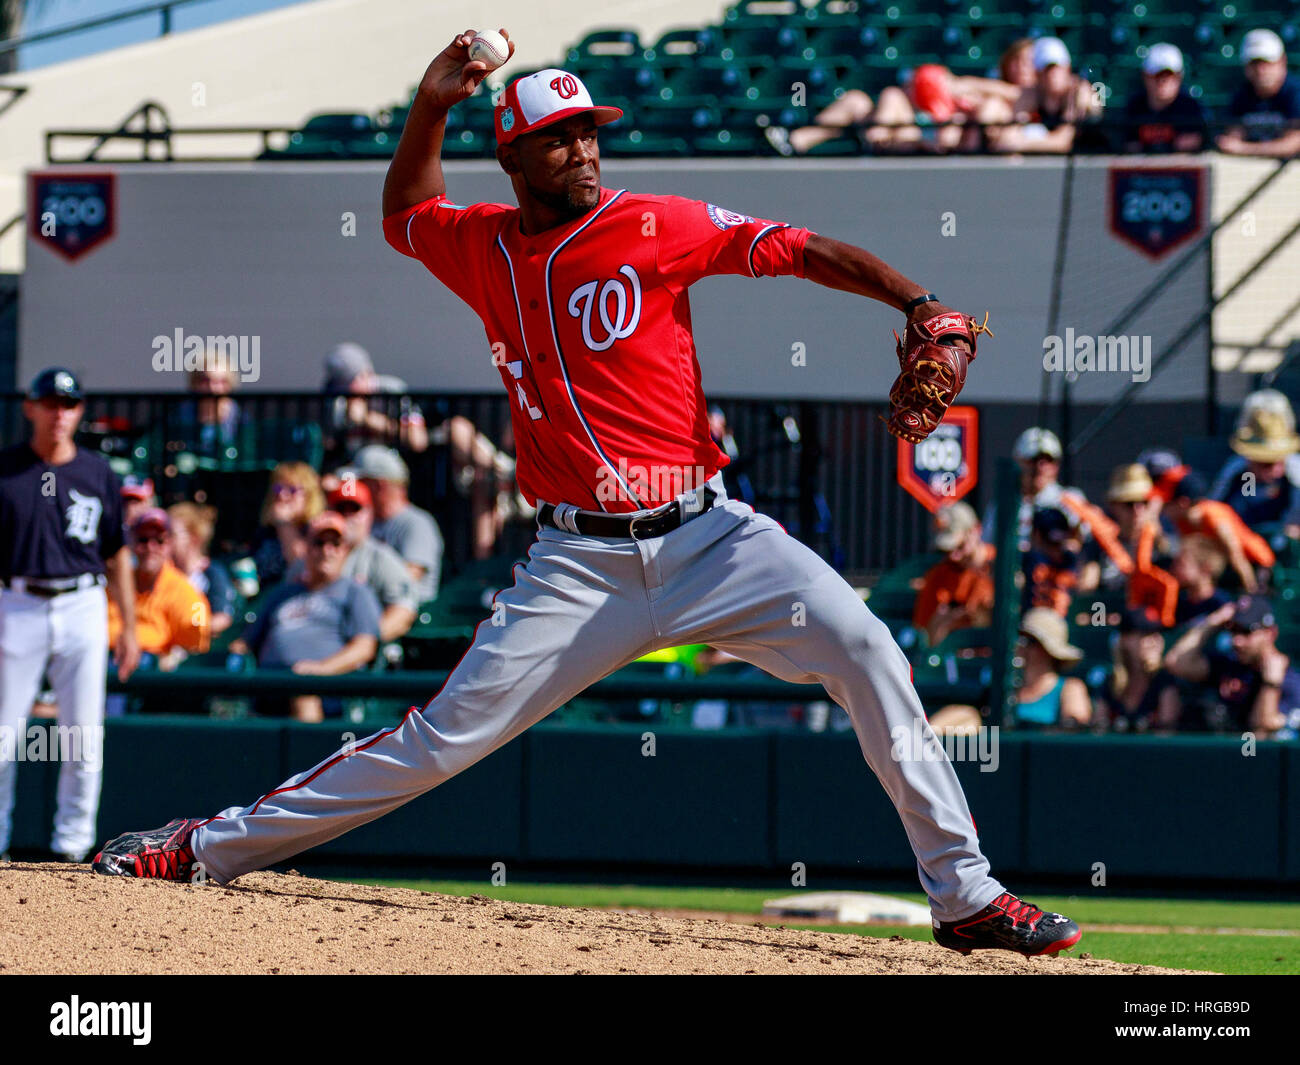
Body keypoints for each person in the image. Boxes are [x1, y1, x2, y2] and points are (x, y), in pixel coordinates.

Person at [92, 34, 1080, 958]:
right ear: (515, 158)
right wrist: (431, 107)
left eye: (588, 131)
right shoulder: (482, 244)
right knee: (439, 742)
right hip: (576, 564)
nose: (582, 149)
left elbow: (797, 248)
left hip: (712, 536)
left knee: (868, 650)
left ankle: (964, 896)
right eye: (558, 138)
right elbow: (403, 214)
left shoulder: (657, 223)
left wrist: (918, 306)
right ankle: (204, 847)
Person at [0, 368, 140, 864]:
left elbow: (116, 553)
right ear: (30, 407)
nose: (59, 413)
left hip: (82, 601)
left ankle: (73, 849)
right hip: (17, 600)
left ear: (79, 411)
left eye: (69, 404)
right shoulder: (7, 468)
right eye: (50, 402)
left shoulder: (97, 472)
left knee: (83, 736)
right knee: (2, 736)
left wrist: (129, 625)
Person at [229, 512, 382, 723]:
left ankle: (311, 756)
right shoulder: (283, 593)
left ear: (344, 551)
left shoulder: (355, 592)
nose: (326, 551)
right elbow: (245, 643)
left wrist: (321, 669)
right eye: (319, 543)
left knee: (304, 694)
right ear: (307, 549)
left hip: (325, 687)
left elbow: (364, 647)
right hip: (271, 684)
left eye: (335, 544)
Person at [287, 480, 418, 642]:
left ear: (369, 513)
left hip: (353, 652)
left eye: (355, 509)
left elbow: (402, 613)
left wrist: (361, 644)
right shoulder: (309, 559)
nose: (348, 517)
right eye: (341, 509)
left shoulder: (382, 559)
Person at [1164, 595, 1300, 736]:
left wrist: (1271, 685)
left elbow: (1261, 730)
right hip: (1221, 752)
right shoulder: (1229, 665)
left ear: (1270, 633)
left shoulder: (1290, 681)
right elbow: (1176, 663)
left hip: (1251, 755)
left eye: (1246, 632)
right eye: (1233, 631)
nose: (1237, 641)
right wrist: (1213, 621)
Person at [107, 509, 212, 672]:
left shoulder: (187, 593)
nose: (151, 547)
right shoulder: (115, 584)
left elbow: (195, 645)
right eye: (143, 540)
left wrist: (169, 660)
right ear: (132, 543)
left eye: (159, 540)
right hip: (105, 664)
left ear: (169, 544)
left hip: (155, 679)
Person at [347, 446, 444, 601]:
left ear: (379, 486)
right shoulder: (365, 521)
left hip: (411, 618)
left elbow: (409, 578)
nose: (353, 488)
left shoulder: (417, 524)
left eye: (360, 483)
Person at [1157, 468, 1273, 593]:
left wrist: (1251, 591)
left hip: (1256, 566)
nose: (1163, 508)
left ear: (1182, 503)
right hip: (1225, 570)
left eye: (1166, 503)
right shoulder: (1183, 521)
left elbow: (1237, 557)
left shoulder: (1213, 515)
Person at [987, 37, 1101, 155]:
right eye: (1047, 69)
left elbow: (1062, 143)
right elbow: (1006, 139)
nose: (1053, 74)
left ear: (1067, 68)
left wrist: (1021, 144)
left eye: (1058, 67)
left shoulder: (1078, 92)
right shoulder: (1031, 94)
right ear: (1037, 73)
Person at [983, 426, 1088, 552]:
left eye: (1048, 460)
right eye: (1033, 460)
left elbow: (1087, 546)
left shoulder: (1072, 500)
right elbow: (987, 545)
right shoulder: (1003, 503)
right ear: (1018, 461)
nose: (1040, 467)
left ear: (1057, 465)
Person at [1210, 401, 1300, 533]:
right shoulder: (1243, 474)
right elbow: (1215, 506)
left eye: (1279, 462)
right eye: (1266, 464)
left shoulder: (1295, 476)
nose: (1275, 471)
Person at [912, 501, 994, 646]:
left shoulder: (1003, 567)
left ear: (976, 530)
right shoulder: (940, 575)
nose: (953, 556)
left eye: (960, 546)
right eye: (948, 550)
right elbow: (926, 638)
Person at [1216, 29, 1300, 159]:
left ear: (1282, 62)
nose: (1261, 70)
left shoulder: (1295, 93)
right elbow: (1231, 139)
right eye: (1254, 63)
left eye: (1267, 62)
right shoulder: (1242, 96)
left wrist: (1244, 148)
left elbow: (1294, 144)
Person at [1095, 608, 1180, 733]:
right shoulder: (1110, 682)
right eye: (1145, 634)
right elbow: (1098, 730)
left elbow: (1166, 736)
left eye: (1157, 634)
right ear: (1124, 640)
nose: (1154, 641)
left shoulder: (1165, 680)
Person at [1010, 607, 1092, 730]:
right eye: (1020, 639)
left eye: (1031, 641)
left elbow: (1074, 733)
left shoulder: (1070, 688)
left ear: (1048, 651)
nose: (1022, 647)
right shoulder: (1007, 689)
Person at [166, 502, 237, 638]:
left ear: (194, 539)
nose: (165, 540)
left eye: (172, 535)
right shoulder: (166, 573)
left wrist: (186, 630)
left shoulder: (212, 573)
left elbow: (222, 618)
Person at [1122, 44, 1208, 153]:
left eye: (1169, 75)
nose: (1162, 81)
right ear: (1145, 76)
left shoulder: (1192, 109)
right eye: (1156, 75)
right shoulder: (1133, 108)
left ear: (1179, 77)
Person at [250, 462, 325, 585]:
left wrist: (284, 524)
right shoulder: (265, 532)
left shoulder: (317, 530)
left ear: (309, 495)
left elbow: (301, 566)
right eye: (278, 488)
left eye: (292, 490)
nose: (282, 495)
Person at [1021, 506, 1081, 617]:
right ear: (1036, 536)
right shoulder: (1025, 561)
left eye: (1058, 544)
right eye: (1050, 543)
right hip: (1031, 624)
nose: (1055, 551)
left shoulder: (1070, 561)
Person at [1171, 533, 1233, 625]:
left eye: (1182, 565)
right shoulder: (1179, 603)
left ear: (1205, 569)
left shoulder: (1220, 603)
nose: (1174, 568)